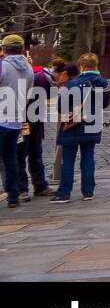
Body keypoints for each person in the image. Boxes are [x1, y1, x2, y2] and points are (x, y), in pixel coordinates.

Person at [52, 53, 110, 204]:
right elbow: (104, 104)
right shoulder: (104, 83)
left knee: (68, 160)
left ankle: (64, 192)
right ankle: (88, 191)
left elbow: (60, 107)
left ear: (81, 66)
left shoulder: (71, 84)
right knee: (88, 158)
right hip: (92, 123)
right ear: (96, 65)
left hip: (72, 125)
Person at [0, 35, 34, 209]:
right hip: (16, 119)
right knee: (10, 157)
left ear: (3, 49)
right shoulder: (28, 67)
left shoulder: (3, 66)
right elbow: (29, 93)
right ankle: (13, 195)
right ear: (21, 49)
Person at [17, 49, 53, 198]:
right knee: (22, 154)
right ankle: (23, 188)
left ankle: (38, 185)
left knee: (34, 152)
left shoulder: (37, 74)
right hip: (23, 119)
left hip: (33, 119)